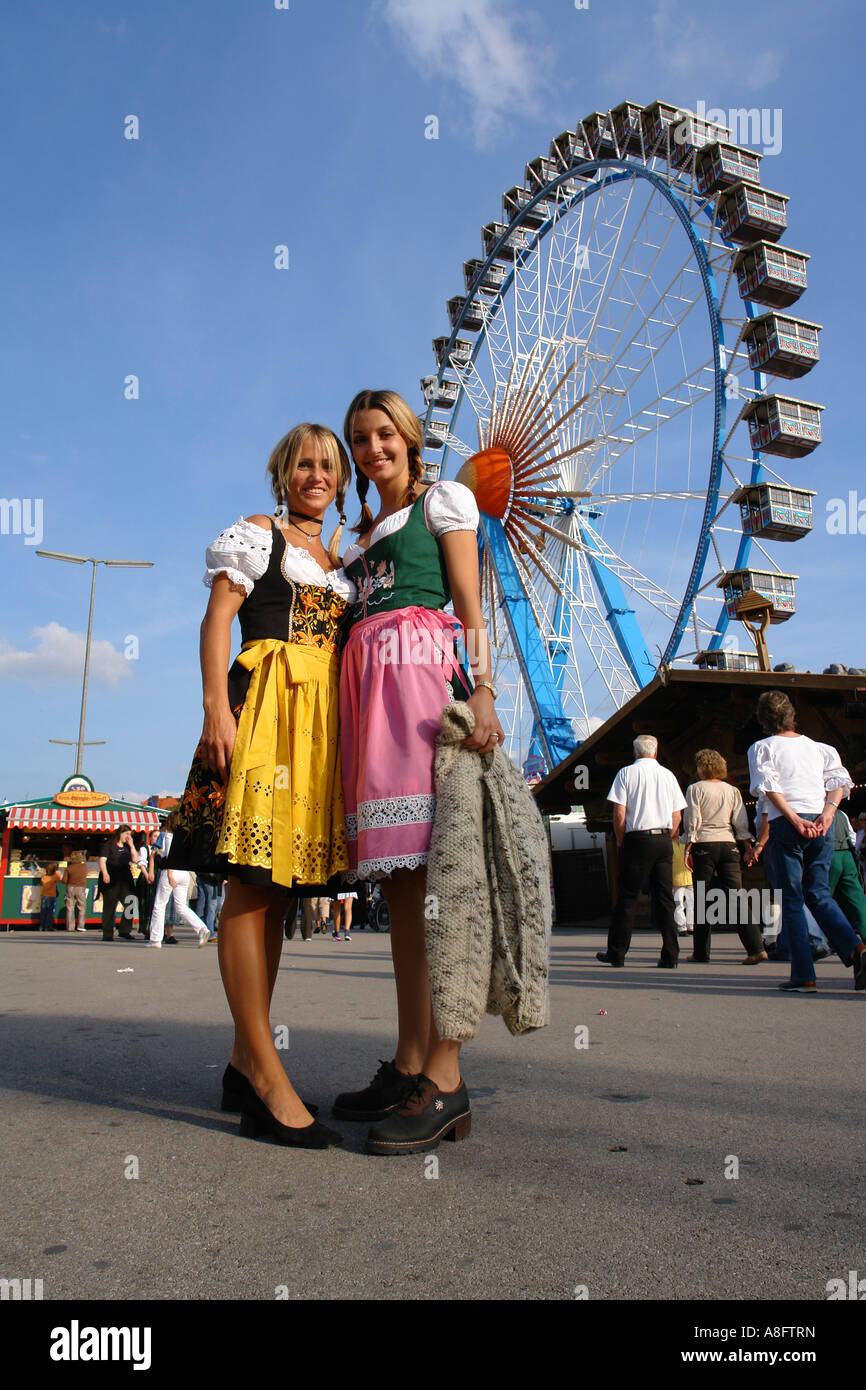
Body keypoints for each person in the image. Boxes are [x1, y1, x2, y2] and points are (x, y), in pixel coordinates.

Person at [167, 422, 352, 1150]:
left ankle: (247, 1059)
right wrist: (217, 707)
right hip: (263, 710)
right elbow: (217, 621)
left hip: (315, 730)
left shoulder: (339, 558)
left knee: (274, 891)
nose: (317, 475)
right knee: (248, 881)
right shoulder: (257, 534)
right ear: (283, 474)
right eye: (304, 464)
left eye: (328, 465)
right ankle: (267, 1078)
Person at [333, 388, 504, 1155]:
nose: (373, 449)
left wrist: (487, 691)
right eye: (360, 440)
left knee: (445, 887)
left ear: (409, 437)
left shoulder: (446, 502)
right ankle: (409, 1061)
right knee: (404, 891)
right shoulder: (357, 538)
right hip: (372, 711)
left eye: (384, 435)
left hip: (425, 696)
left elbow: (470, 606)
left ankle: (448, 1071)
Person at [747, 689, 866, 992]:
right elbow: (839, 782)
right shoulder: (819, 748)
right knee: (820, 894)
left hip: (788, 824)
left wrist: (794, 819)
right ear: (792, 715)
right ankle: (856, 948)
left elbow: (769, 788)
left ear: (762, 719)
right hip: (821, 822)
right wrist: (827, 814)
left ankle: (804, 974)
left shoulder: (762, 748)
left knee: (793, 900)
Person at [597, 735, 686, 968]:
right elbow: (677, 814)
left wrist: (620, 839)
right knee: (666, 899)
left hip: (637, 839)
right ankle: (670, 954)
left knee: (627, 898)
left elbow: (619, 812)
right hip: (664, 838)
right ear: (655, 752)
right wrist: (671, 835)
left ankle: (617, 952)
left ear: (635, 752)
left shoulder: (626, 774)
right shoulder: (668, 775)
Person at [682, 748, 765, 964]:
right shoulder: (732, 790)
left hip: (704, 845)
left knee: (703, 898)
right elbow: (740, 821)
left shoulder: (695, 789)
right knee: (736, 895)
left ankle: (701, 952)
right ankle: (755, 947)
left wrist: (688, 847)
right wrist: (747, 845)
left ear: (701, 768)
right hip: (729, 844)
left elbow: (693, 820)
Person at [98, 827, 137, 941]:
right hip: (112, 877)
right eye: (126, 834)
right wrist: (105, 873)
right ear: (120, 833)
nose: (128, 837)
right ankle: (107, 933)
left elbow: (135, 860)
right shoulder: (109, 845)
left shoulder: (127, 847)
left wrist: (132, 845)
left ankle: (125, 930)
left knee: (131, 902)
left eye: (130, 834)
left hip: (125, 879)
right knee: (109, 906)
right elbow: (102, 860)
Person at [62, 852, 88, 932]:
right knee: (82, 907)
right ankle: (80, 926)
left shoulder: (69, 868)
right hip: (81, 888)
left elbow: (64, 880)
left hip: (70, 887)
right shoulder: (84, 867)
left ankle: (70, 927)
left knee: (70, 907)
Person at [39, 862, 61, 932]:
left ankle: (41, 926)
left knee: (43, 911)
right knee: (49, 912)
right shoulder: (54, 876)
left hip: (44, 895)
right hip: (51, 896)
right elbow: (60, 879)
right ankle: (48, 926)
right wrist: (57, 872)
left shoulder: (44, 877)